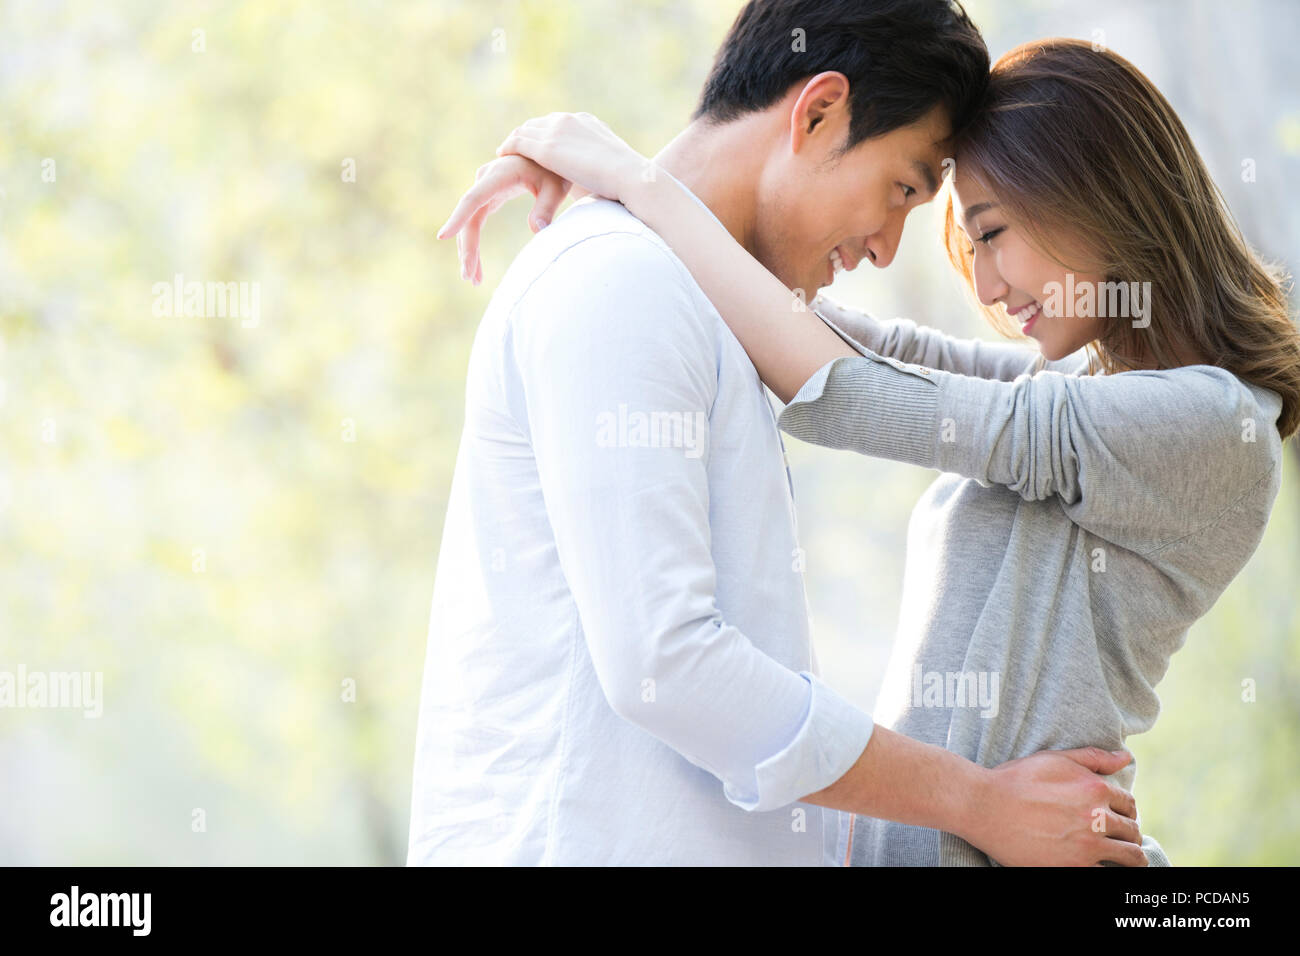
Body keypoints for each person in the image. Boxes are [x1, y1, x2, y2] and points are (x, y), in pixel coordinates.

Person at [443, 38, 1300, 865]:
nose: (989, 286)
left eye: (992, 231)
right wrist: (630, 200)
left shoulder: (1211, 424)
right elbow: (863, 351)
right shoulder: (1086, 396)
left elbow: (855, 394)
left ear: (1100, 194)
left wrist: (634, 180)